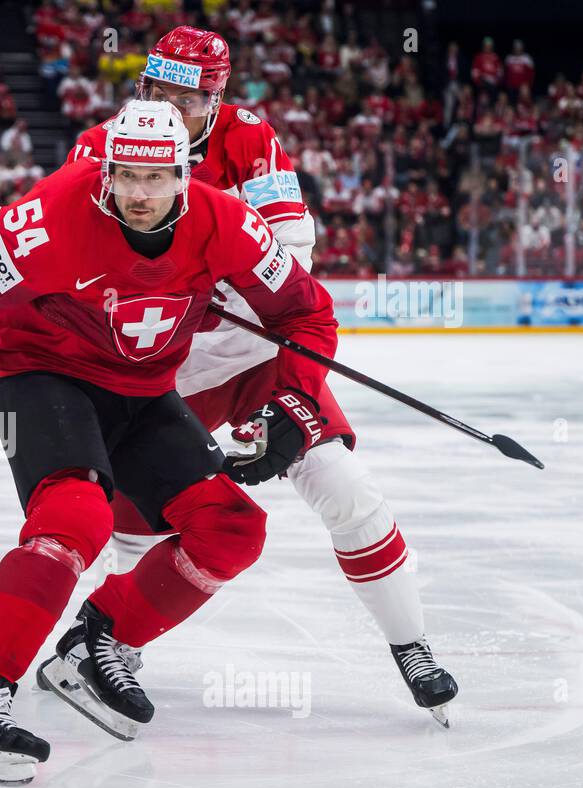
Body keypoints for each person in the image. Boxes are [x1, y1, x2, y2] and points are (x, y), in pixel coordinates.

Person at [0, 101, 338, 784]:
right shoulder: (49, 215)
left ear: (185, 175)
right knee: (78, 516)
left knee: (231, 529)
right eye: (124, 175)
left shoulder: (227, 223)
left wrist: (298, 399)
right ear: (104, 170)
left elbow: (305, 311)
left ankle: (96, 643)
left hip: (143, 391)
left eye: (154, 178)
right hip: (42, 375)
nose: (137, 193)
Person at [69, 26, 458, 726]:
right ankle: (103, 644)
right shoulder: (104, 146)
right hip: (158, 372)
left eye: (186, 96)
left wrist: (226, 290)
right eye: (156, 89)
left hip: (253, 356)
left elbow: (293, 254)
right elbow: (79, 265)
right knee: (137, 528)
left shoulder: (249, 136)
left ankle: (413, 645)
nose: (168, 105)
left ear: (216, 98)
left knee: (346, 490)